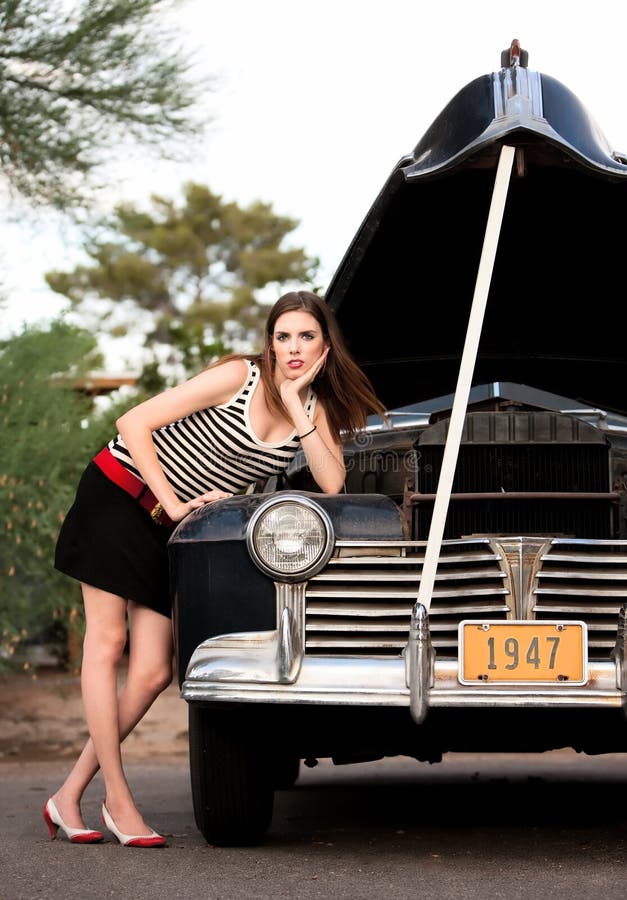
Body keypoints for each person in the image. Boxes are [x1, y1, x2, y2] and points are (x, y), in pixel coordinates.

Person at [45, 289, 387, 848]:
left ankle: (67, 795)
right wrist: (173, 503)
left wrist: (299, 402)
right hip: (120, 495)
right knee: (107, 642)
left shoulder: (312, 408)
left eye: (306, 337)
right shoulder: (238, 377)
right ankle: (117, 798)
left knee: (156, 671)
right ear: (268, 342)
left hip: (170, 528)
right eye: (283, 337)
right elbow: (134, 422)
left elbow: (332, 483)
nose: (293, 349)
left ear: (326, 346)